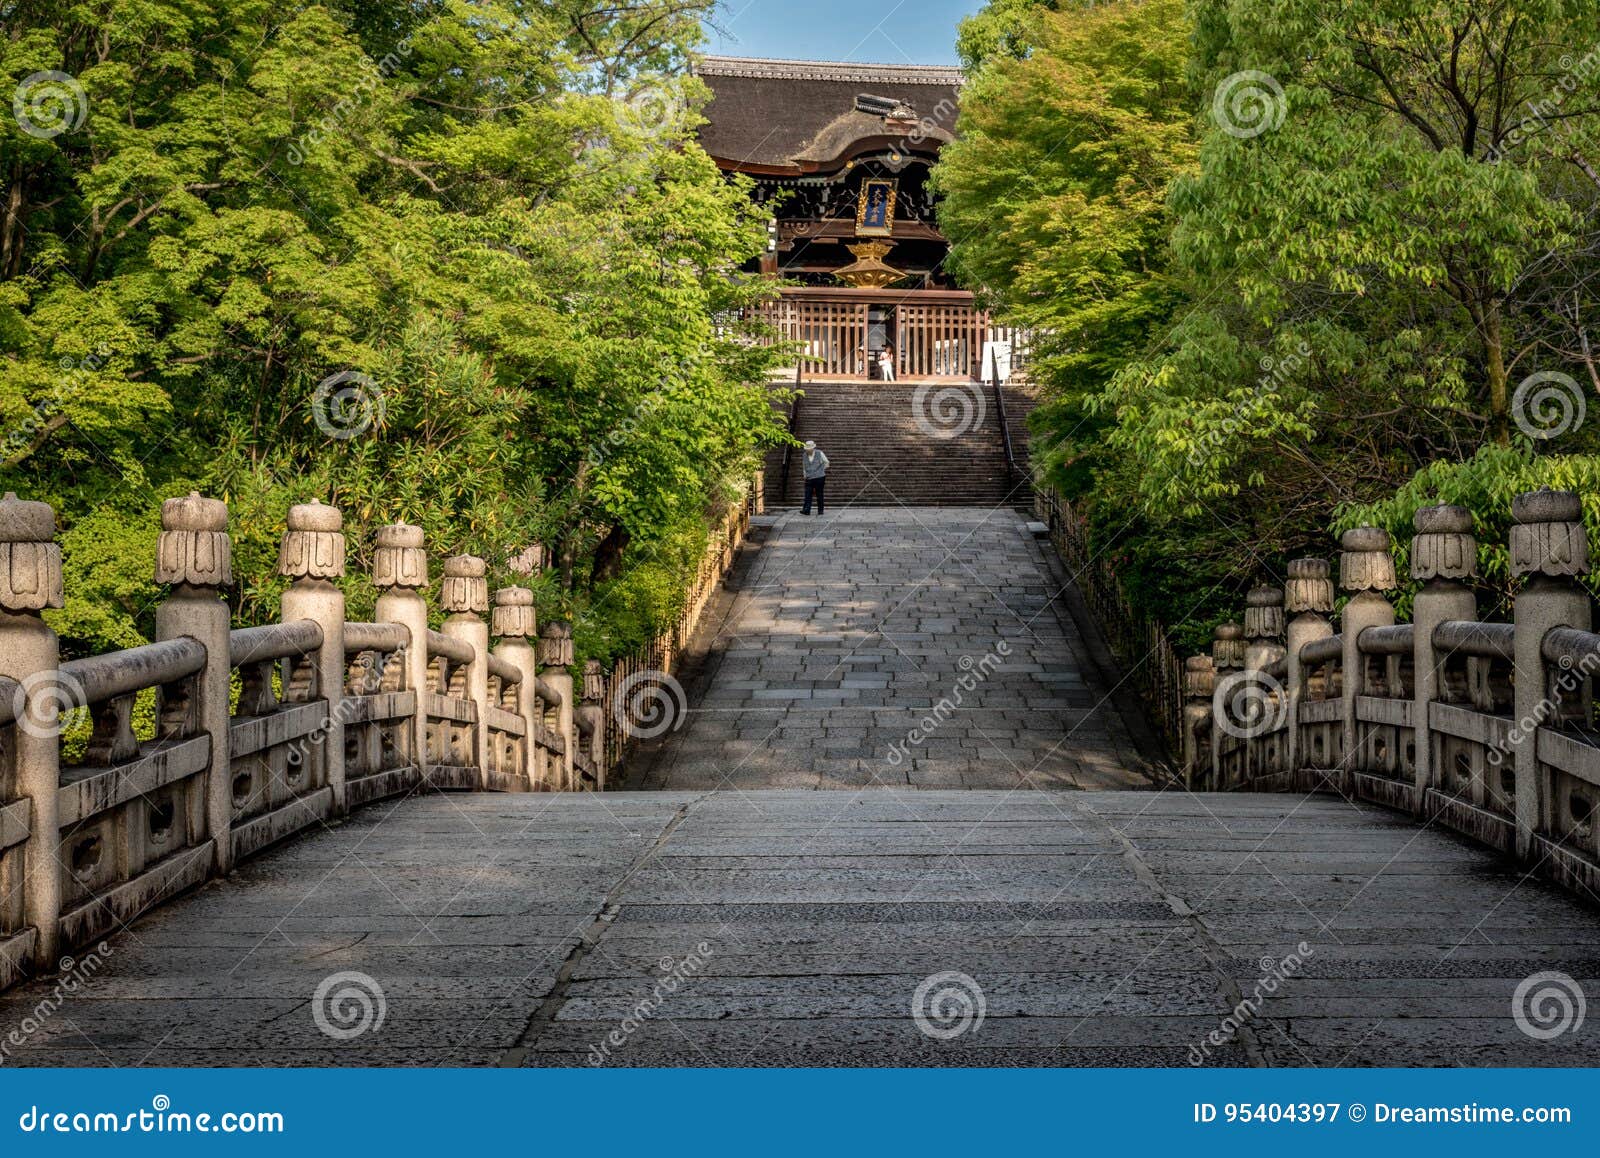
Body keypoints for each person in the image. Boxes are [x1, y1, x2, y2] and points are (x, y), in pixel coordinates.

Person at [800, 440, 828, 515]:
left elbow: (826, 462)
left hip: (820, 477)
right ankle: (806, 510)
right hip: (809, 478)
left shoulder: (819, 453)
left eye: (810, 449)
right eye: (807, 449)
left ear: (813, 448)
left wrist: (821, 470)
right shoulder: (804, 455)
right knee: (807, 494)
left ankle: (820, 510)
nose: (808, 450)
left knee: (819, 494)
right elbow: (804, 466)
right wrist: (805, 475)